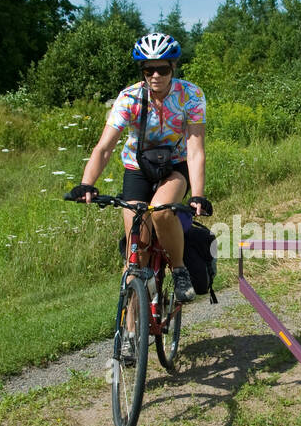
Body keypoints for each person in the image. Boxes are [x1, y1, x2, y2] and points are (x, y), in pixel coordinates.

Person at [69, 32, 212, 358]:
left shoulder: (191, 95)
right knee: (136, 250)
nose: (156, 76)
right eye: (148, 70)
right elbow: (104, 147)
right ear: (142, 71)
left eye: (162, 69)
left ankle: (178, 271)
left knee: (161, 210)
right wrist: (87, 182)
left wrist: (198, 194)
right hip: (137, 169)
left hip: (174, 167)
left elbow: (195, 150)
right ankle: (132, 334)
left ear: (173, 67)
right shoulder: (130, 98)